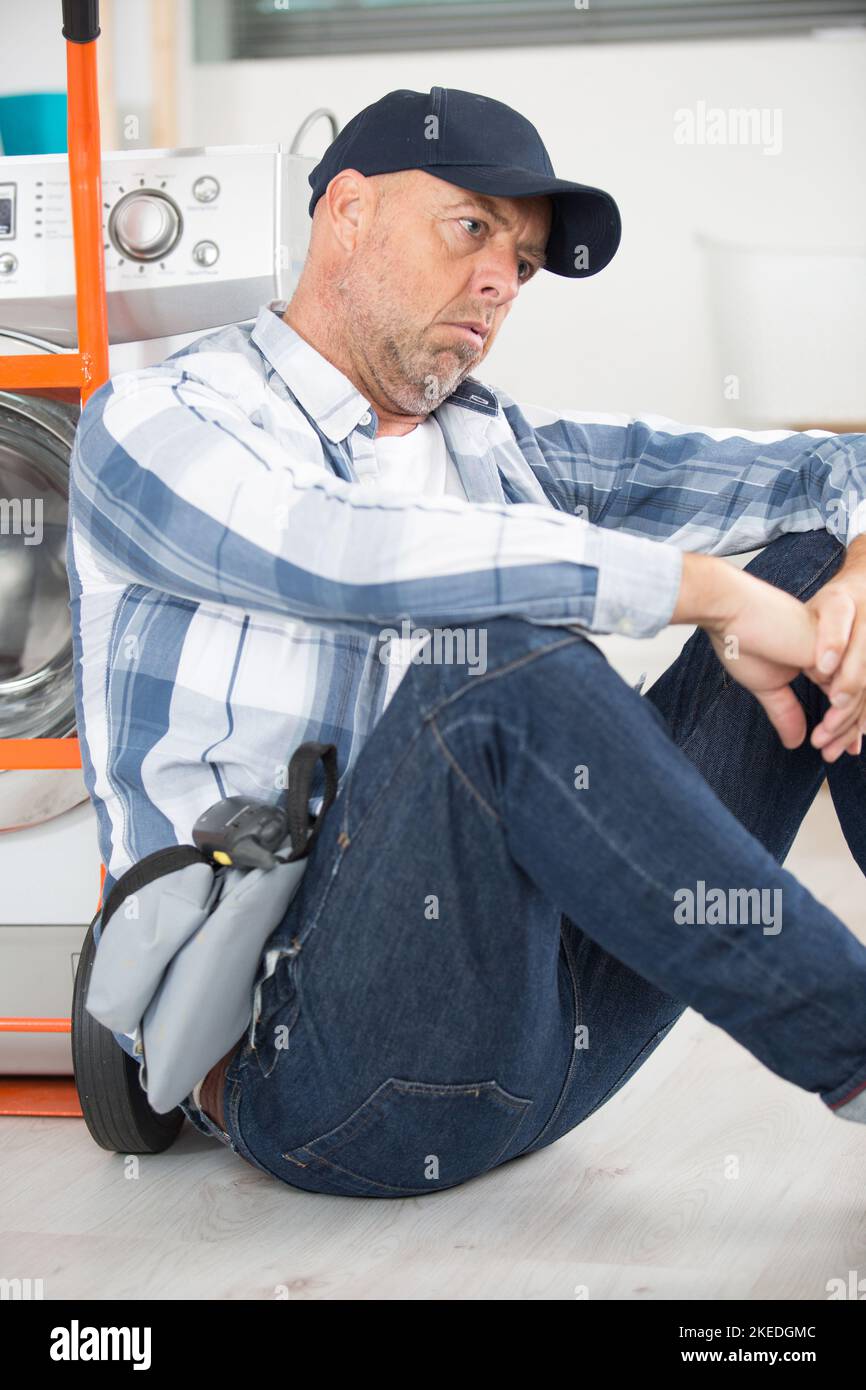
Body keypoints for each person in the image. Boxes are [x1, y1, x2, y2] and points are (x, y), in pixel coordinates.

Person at [68, 87, 866, 1197]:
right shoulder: (155, 421)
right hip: (320, 1075)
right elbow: (332, 551)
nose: (499, 278)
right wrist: (705, 593)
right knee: (486, 669)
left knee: (828, 575)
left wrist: (851, 572)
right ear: (347, 212)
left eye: (525, 261)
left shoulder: (507, 448)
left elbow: (835, 469)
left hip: (560, 1035)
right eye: (470, 226)